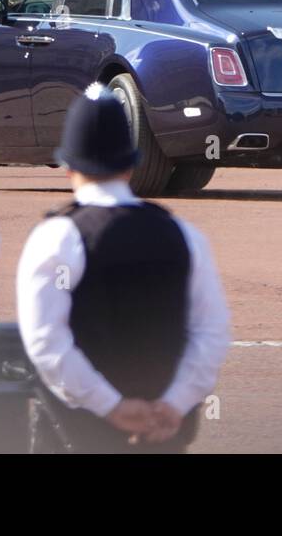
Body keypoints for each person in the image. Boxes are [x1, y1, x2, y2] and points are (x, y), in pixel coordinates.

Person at [16, 83, 230, 453]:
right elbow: (211, 333)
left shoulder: (57, 236)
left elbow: (45, 341)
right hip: (163, 433)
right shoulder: (183, 234)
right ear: (131, 166)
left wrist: (110, 407)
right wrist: (175, 403)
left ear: (68, 168)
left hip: (79, 436)